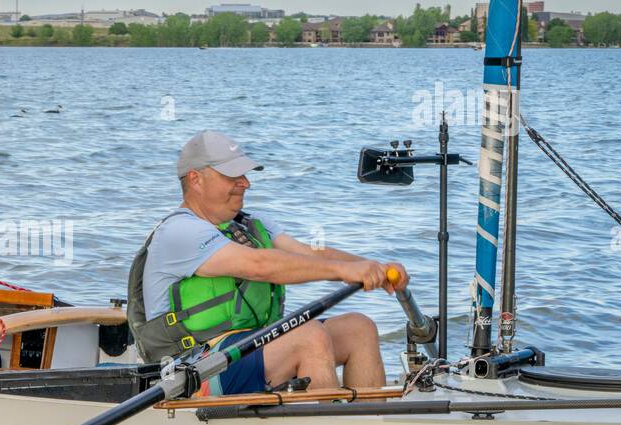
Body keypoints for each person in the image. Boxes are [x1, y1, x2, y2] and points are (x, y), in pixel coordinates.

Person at [126, 130, 409, 396]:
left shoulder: (251, 225)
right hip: (191, 370)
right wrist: (344, 271)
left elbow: (307, 254)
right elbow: (259, 265)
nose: (245, 183)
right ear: (196, 179)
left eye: (245, 175)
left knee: (358, 328)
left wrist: (373, 267)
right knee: (307, 335)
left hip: (244, 349)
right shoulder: (179, 232)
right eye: (232, 175)